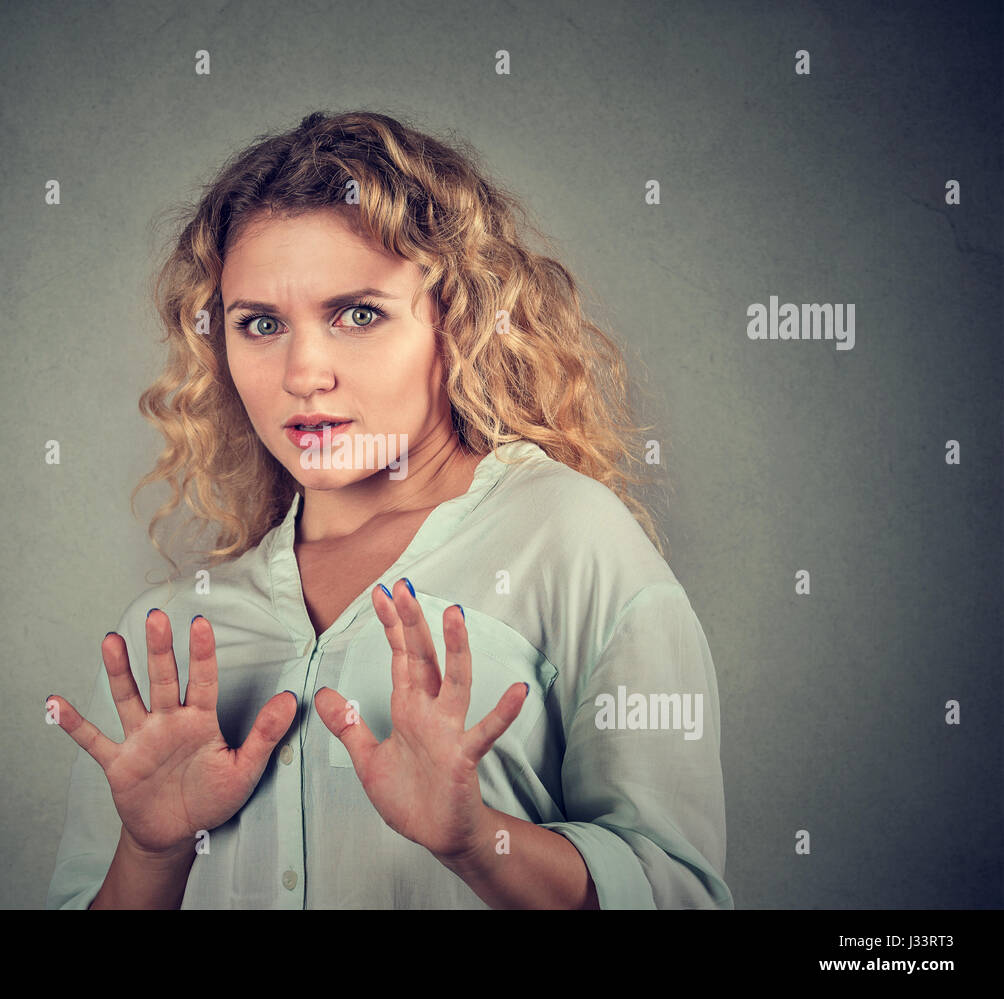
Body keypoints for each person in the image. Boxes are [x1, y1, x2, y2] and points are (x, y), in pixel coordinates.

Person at [45, 110, 732, 909]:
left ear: (459, 320)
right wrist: (152, 852)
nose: (305, 371)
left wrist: (482, 842)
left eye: (358, 314)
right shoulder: (167, 636)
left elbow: (682, 894)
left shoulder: (571, 542)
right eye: (261, 323)